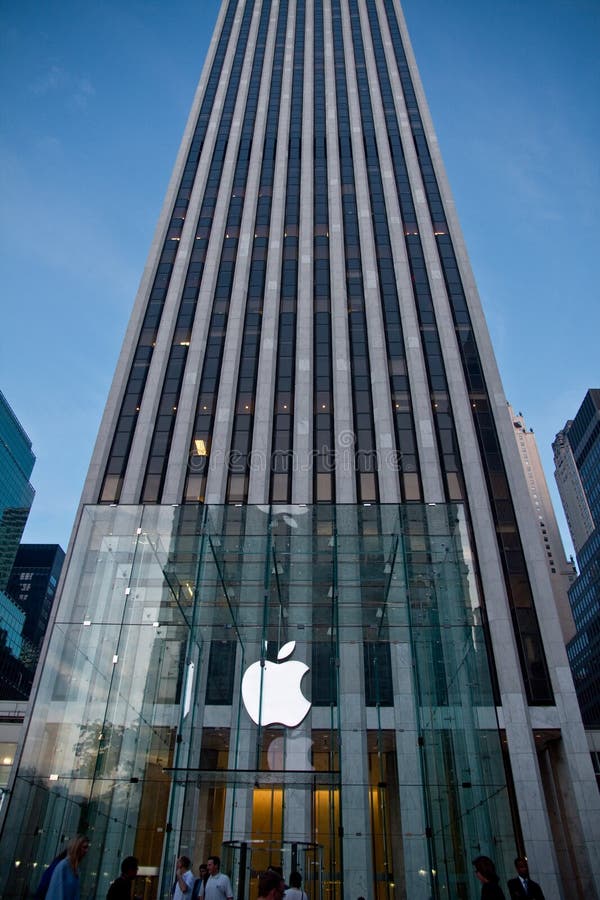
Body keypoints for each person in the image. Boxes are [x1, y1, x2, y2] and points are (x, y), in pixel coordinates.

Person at [46, 836, 90, 900]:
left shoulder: (76, 869)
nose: (86, 851)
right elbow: (55, 893)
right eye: (84, 847)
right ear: (76, 847)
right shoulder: (63, 866)